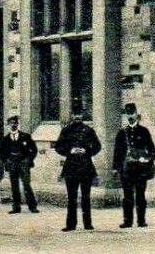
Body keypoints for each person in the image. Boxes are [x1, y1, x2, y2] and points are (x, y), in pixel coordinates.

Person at [54, 98, 101, 231]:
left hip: (86, 167)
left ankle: (88, 224)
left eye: (79, 114)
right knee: (72, 197)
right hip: (71, 168)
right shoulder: (66, 130)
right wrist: (70, 150)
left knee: (86, 197)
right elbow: (58, 146)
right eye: (75, 114)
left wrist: (87, 151)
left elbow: (98, 146)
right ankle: (71, 224)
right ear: (72, 115)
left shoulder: (88, 130)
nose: (77, 117)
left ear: (83, 115)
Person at [112, 103, 155, 228]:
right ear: (125, 115)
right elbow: (117, 152)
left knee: (141, 195)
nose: (130, 116)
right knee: (127, 196)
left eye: (132, 113)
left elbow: (152, 150)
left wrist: (146, 158)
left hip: (141, 170)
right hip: (126, 170)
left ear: (136, 114)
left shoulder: (144, 131)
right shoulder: (121, 133)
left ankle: (141, 221)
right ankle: (127, 221)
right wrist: (115, 168)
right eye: (128, 114)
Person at [0, 115, 39, 214]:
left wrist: (28, 160)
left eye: (15, 123)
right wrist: (6, 161)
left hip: (23, 164)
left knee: (26, 185)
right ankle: (16, 207)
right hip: (12, 164)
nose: (13, 125)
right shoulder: (6, 139)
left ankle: (32, 207)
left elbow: (34, 149)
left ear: (17, 124)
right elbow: (1, 152)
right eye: (11, 123)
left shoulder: (25, 136)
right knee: (14, 186)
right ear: (9, 125)